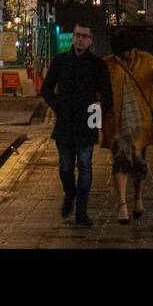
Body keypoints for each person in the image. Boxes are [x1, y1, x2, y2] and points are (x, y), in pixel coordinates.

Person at [101, 29, 153, 225]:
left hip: (140, 123)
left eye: (126, 51)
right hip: (117, 123)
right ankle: (122, 205)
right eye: (120, 52)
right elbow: (95, 89)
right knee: (120, 162)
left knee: (139, 165)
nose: (124, 55)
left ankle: (138, 197)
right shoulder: (107, 63)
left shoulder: (146, 60)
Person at [40, 23, 112, 226]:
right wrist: (58, 106)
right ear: (73, 37)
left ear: (91, 40)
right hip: (65, 123)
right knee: (65, 168)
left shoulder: (97, 65)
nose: (80, 39)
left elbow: (107, 96)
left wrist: (97, 114)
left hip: (86, 122)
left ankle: (81, 210)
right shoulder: (61, 61)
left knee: (85, 167)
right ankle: (70, 194)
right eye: (77, 35)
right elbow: (46, 89)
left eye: (85, 36)